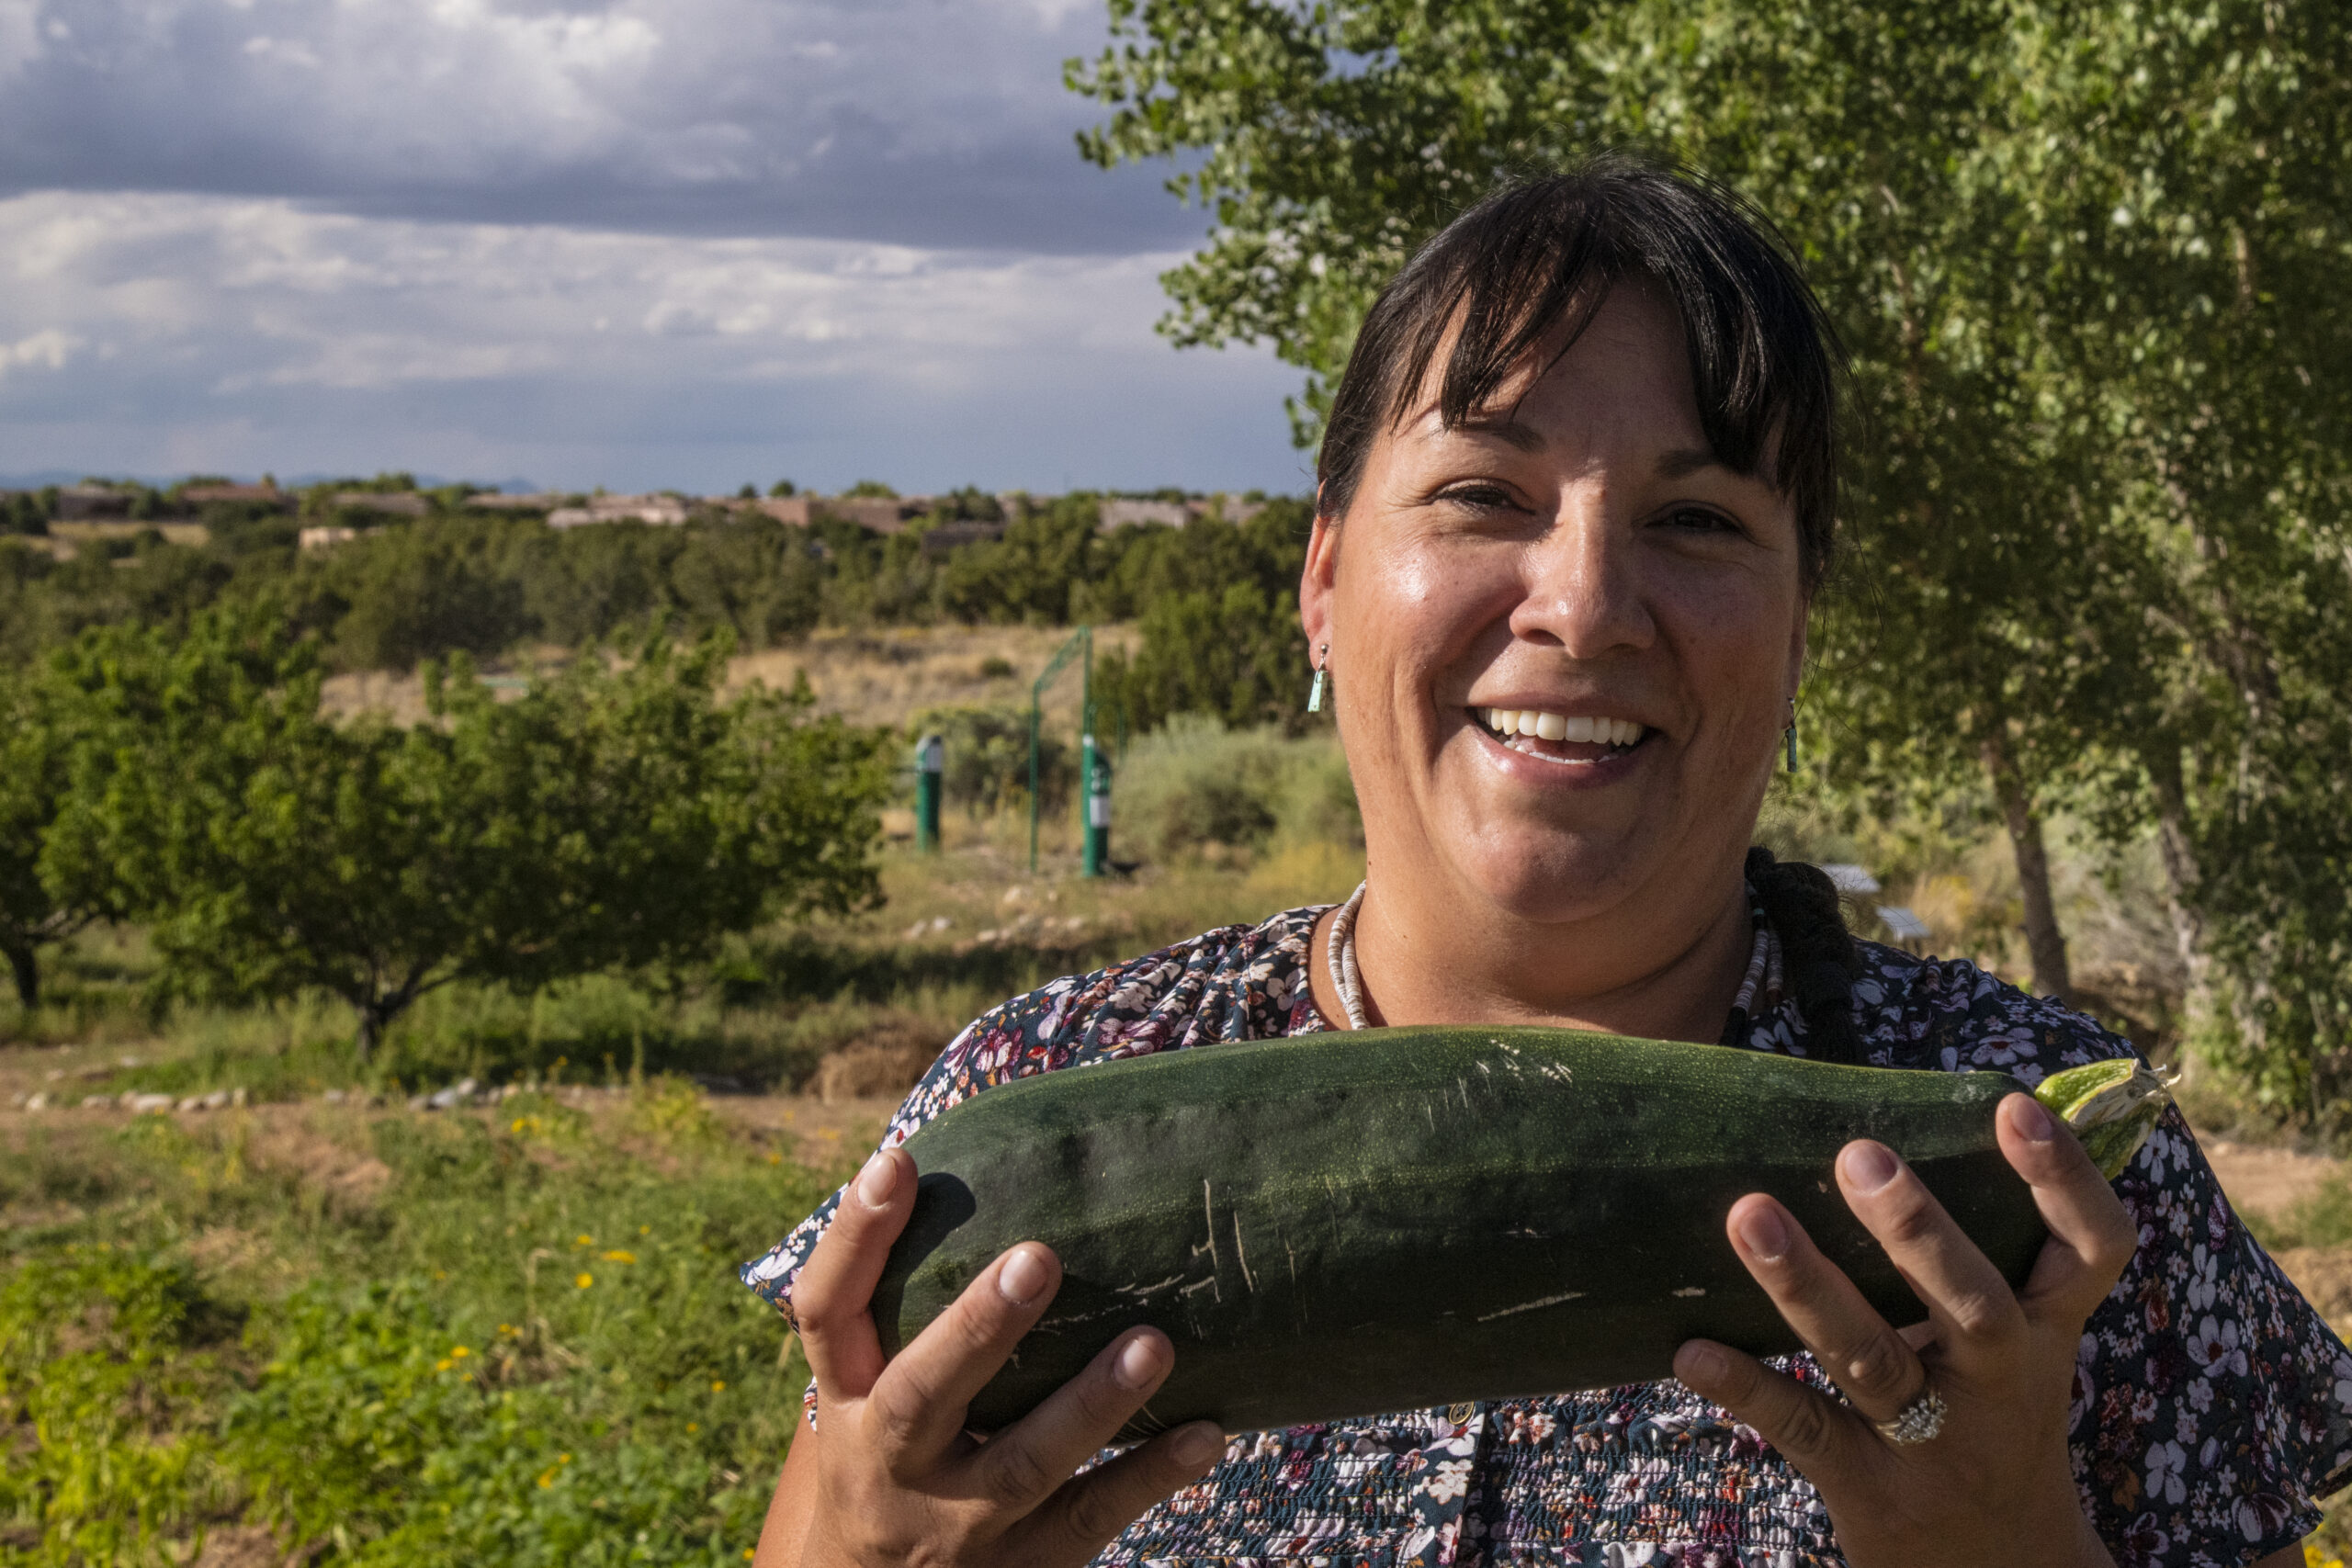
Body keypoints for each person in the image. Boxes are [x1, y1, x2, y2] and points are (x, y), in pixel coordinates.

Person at [739, 157, 2350, 1567]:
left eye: (1699, 521)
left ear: (1801, 626)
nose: (1582, 607)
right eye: (1481, 494)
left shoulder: (2055, 1185)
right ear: (1322, 584)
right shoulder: (1033, 1103)